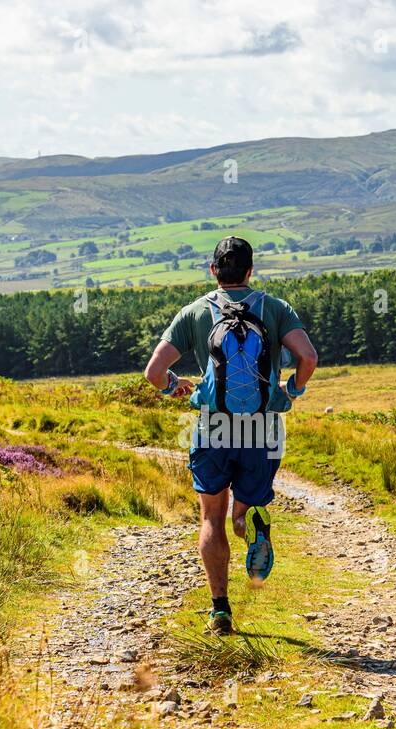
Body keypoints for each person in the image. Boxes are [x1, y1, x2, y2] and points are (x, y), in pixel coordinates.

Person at [144, 236, 318, 635]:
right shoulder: (275, 309)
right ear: (251, 271)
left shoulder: (194, 312)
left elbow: (153, 373)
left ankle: (220, 609)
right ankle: (253, 523)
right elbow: (308, 358)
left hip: (212, 428)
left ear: (213, 271)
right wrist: (292, 391)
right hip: (262, 428)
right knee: (245, 510)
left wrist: (173, 387)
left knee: (211, 517)